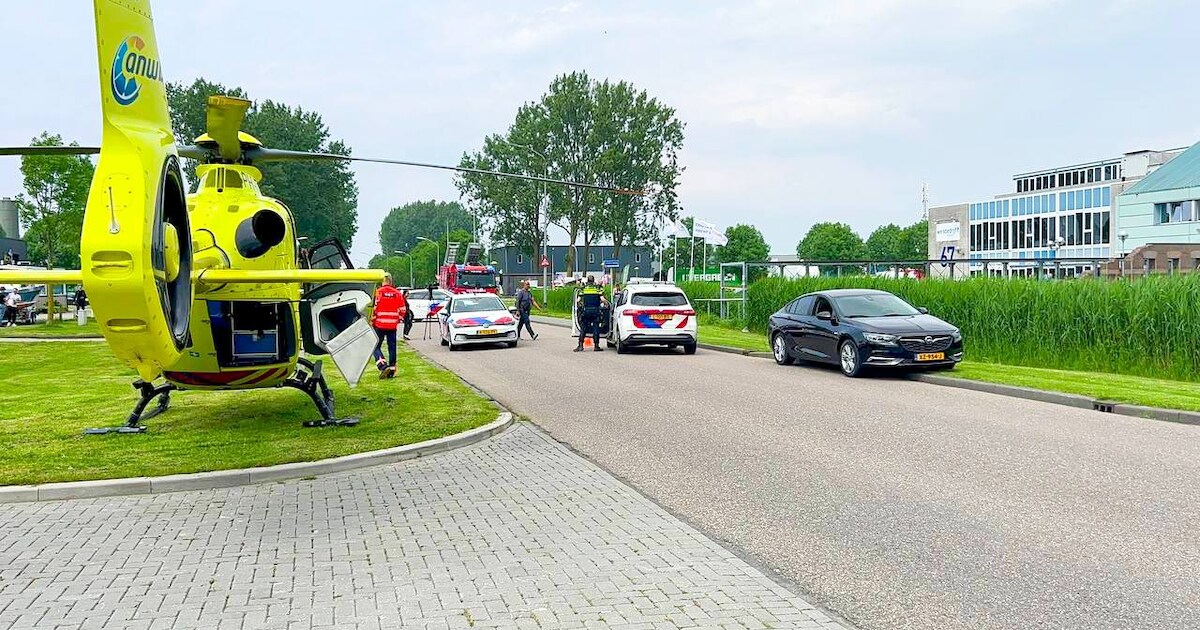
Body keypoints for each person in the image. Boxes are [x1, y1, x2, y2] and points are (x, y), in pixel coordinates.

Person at [370, 273, 406, 379]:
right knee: (392, 347)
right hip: (392, 325)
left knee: (375, 346)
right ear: (391, 281)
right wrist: (397, 319)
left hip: (380, 324)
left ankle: (382, 365)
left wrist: (373, 319)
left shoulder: (378, 293)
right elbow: (403, 310)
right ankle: (392, 368)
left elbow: (373, 308)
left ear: (382, 281)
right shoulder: (397, 293)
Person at [574, 275, 606, 352]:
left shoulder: (583, 289)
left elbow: (578, 300)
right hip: (595, 311)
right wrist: (606, 304)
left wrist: (579, 306)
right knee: (596, 328)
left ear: (587, 281)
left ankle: (580, 345)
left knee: (583, 328)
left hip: (586, 311)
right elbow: (602, 299)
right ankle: (596, 346)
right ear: (593, 281)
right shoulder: (597, 289)